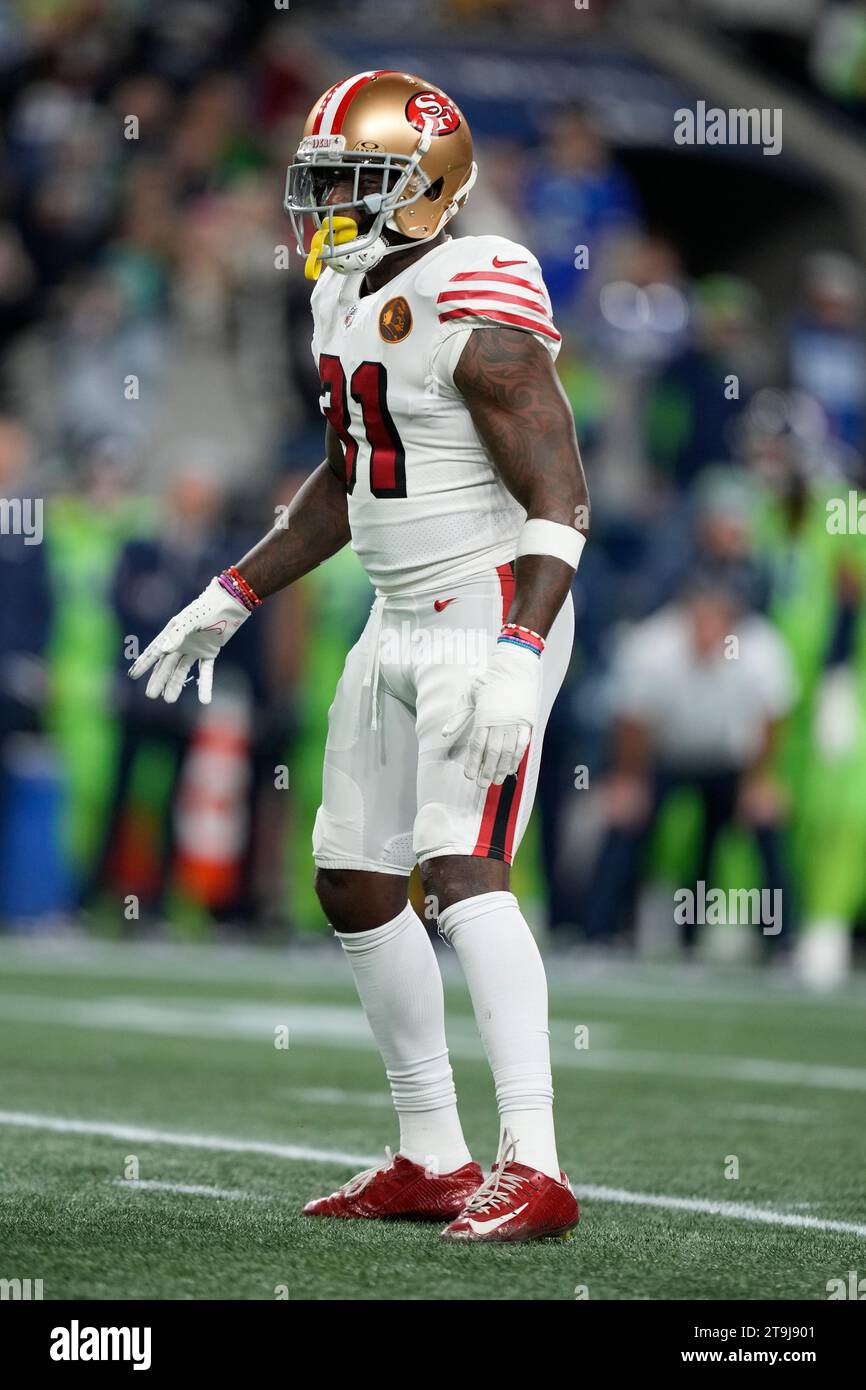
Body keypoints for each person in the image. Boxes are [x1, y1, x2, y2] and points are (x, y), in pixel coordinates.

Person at [129, 72, 589, 1243]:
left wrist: (515, 653)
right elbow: (354, 472)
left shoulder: (478, 288)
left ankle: (533, 1161)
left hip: (490, 605)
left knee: (460, 866)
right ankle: (429, 1151)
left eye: (354, 180)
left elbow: (559, 495)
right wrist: (230, 595)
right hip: (393, 614)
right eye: (322, 177)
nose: (326, 201)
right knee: (350, 876)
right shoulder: (344, 290)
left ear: (424, 186)